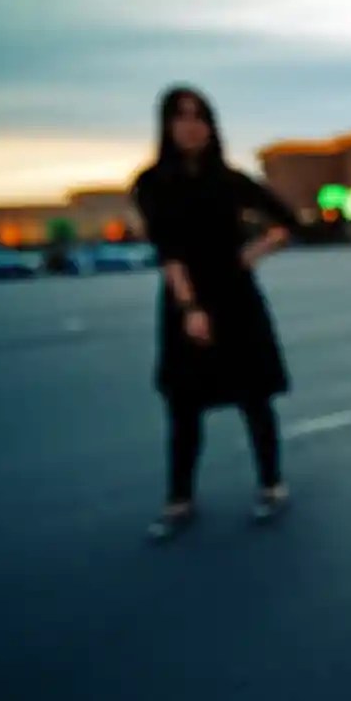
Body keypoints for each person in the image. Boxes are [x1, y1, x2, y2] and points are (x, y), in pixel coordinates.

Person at [131, 85, 299, 540]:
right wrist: (190, 307)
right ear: (166, 125)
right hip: (186, 301)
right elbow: (169, 252)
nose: (190, 126)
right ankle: (179, 499)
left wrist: (253, 253)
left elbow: (289, 220)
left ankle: (271, 484)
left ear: (211, 125)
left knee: (254, 397)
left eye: (199, 116)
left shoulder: (230, 181)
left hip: (238, 299)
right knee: (183, 404)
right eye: (180, 116)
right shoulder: (152, 184)